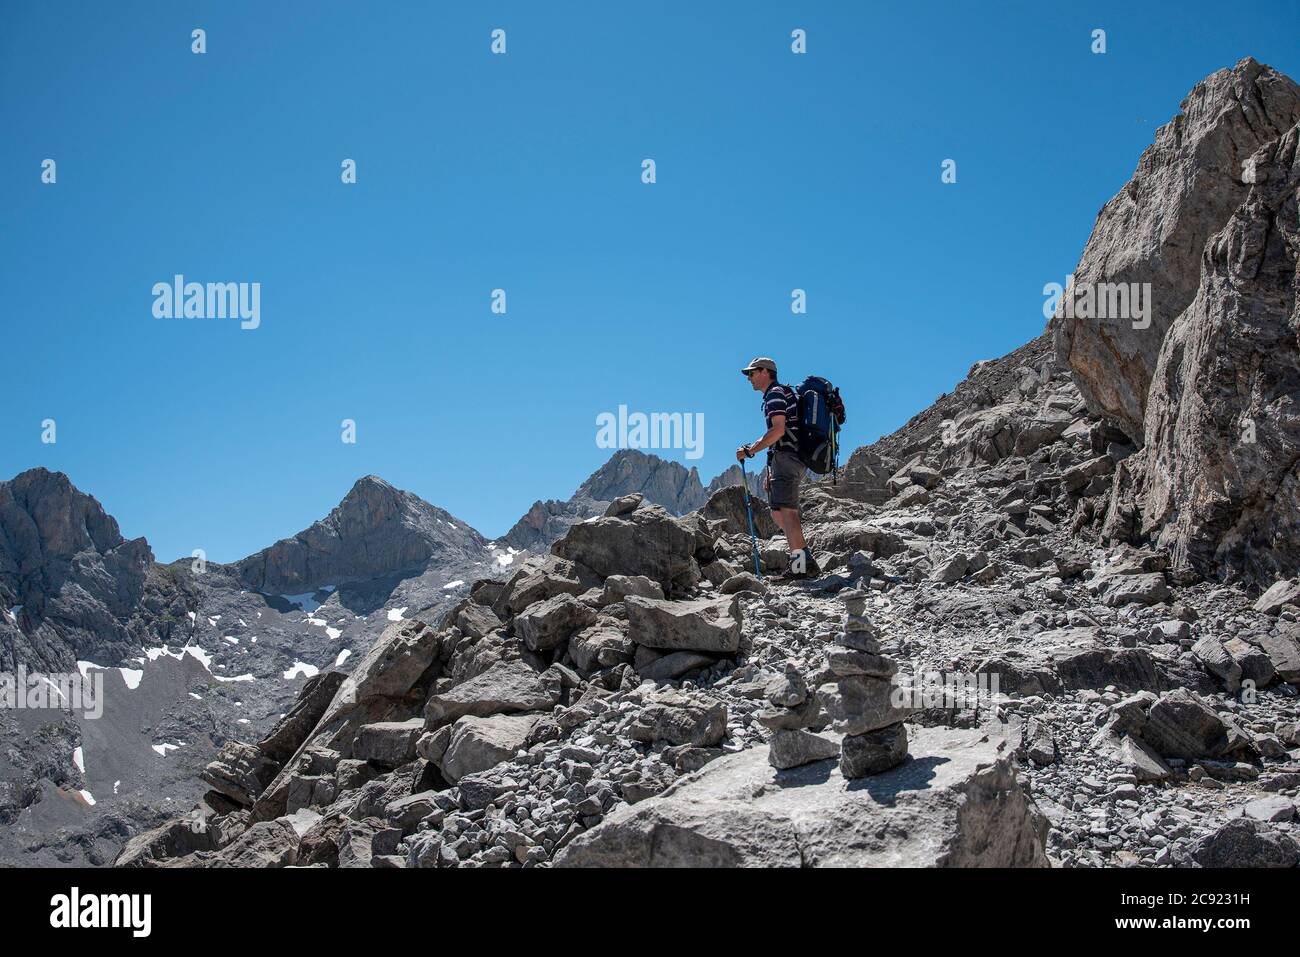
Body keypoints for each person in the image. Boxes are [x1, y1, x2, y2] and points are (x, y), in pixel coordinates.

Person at [735, 357, 821, 579]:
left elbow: (778, 431)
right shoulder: (777, 393)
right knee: (777, 512)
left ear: (765, 372)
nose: (749, 378)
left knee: (787, 512)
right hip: (787, 459)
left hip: (788, 458)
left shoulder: (774, 393)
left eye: (751, 373)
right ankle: (805, 560)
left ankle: (801, 566)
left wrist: (750, 451)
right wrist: (771, 468)